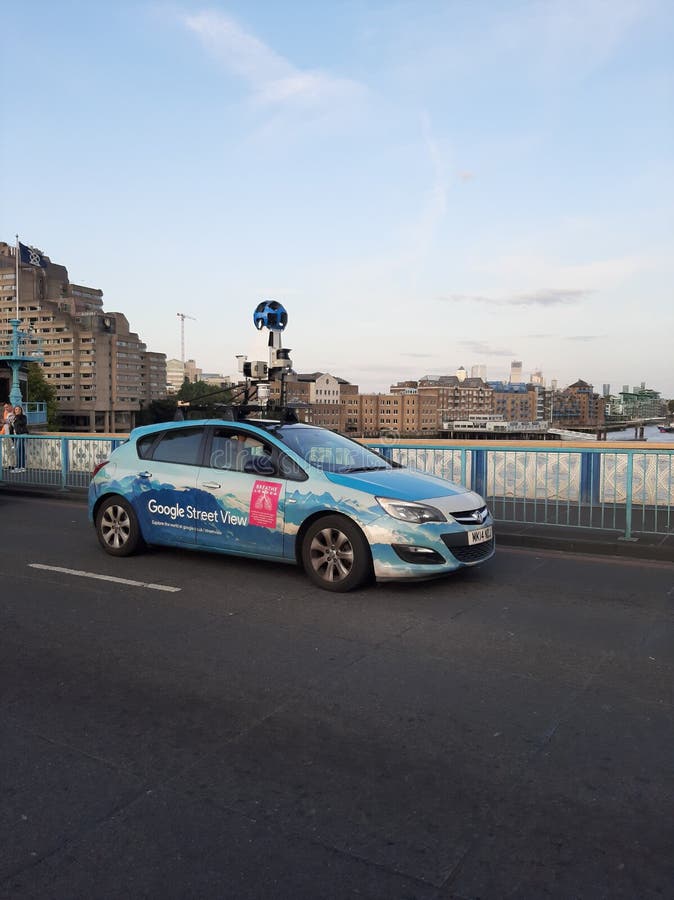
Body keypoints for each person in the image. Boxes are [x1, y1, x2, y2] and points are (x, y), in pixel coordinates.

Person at [10, 405, 28, 471]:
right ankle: (22, 467)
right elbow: (11, 428)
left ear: (21, 410)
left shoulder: (23, 417)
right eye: (16, 409)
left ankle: (18, 467)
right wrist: (12, 437)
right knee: (21, 451)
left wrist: (17, 417)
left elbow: (23, 423)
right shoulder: (13, 418)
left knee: (18, 451)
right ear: (14, 410)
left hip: (22, 434)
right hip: (16, 436)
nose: (17, 410)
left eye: (19, 409)